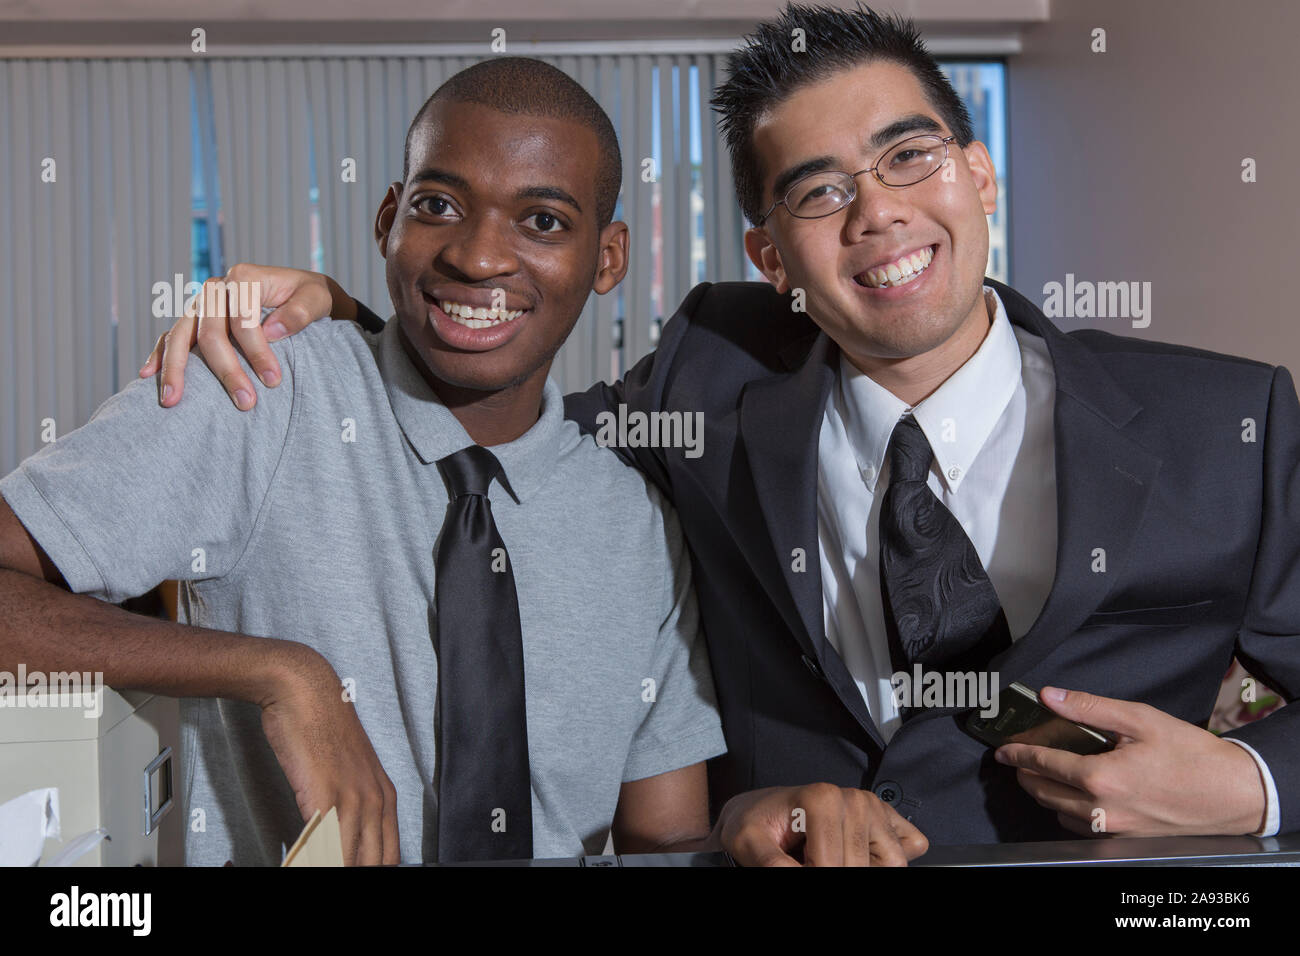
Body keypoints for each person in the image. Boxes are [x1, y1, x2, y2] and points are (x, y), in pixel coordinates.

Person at [146, 3, 1298, 845]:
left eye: (909, 156)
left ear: (978, 173)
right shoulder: (705, 381)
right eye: (818, 190)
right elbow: (505, 413)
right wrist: (354, 319)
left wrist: (1252, 782)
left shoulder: (1221, 421)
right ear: (769, 255)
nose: (878, 212)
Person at [0, 55, 925, 867]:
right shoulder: (260, 389)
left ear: (608, 261)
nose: (480, 255)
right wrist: (277, 672)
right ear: (387, 221)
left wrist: (744, 825)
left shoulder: (638, 519)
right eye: (439, 205)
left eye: (543, 221)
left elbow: (661, 840)